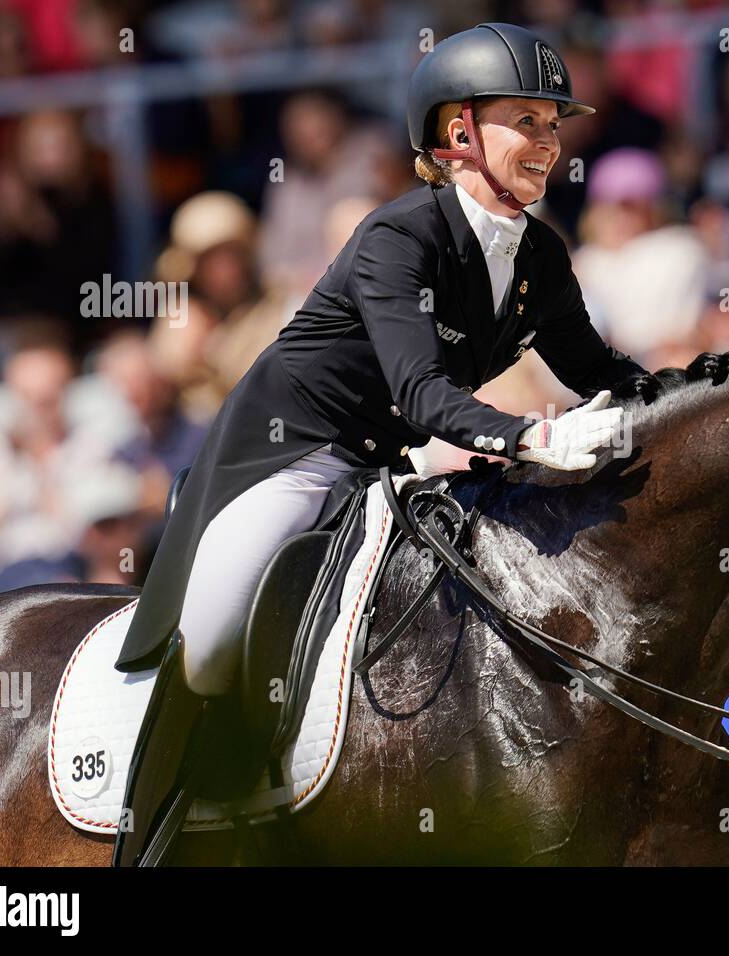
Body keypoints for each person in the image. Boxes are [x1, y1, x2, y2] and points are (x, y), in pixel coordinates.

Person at [110, 22, 647, 866]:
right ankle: (146, 840)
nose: (548, 143)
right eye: (527, 121)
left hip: (381, 471)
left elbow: (600, 369)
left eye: (554, 125)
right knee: (212, 636)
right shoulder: (399, 237)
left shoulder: (539, 253)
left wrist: (699, 404)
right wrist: (534, 435)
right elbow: (421, 392)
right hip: (291, 457)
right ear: (458, 133)